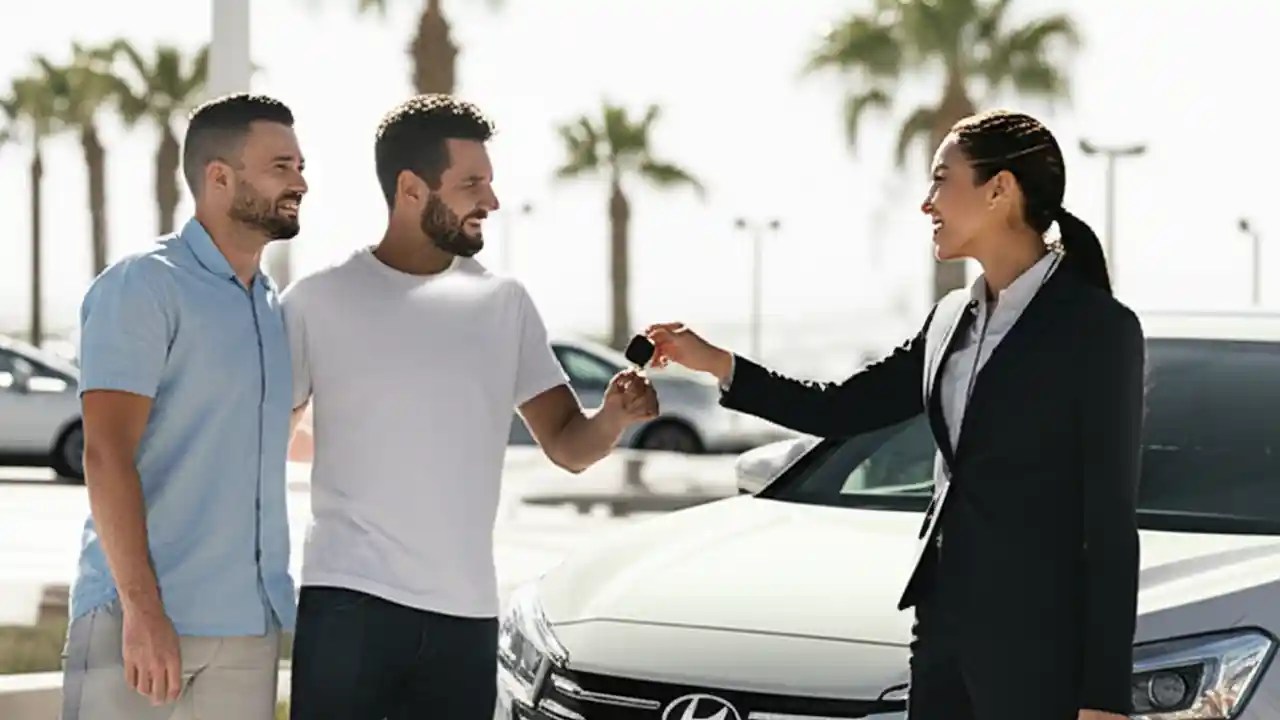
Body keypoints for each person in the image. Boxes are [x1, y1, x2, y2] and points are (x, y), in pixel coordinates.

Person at [646, 110, 1144, 720]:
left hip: (1038, 645)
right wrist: (719, 363)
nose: (927, 203)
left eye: (941, 181)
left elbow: (1112, 522)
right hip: (941, 631)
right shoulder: (948, 319)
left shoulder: (1097, 329)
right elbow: (840, 408)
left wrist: (1103, 698)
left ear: (999, 190)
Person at [282, 94, 660, 719]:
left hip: (465, 615)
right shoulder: (317, 301)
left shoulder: (503, 305)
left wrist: (614, 418)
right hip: (350, 605)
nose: (491, 200)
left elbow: (568, 444)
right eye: (472, 183)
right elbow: (267, 443)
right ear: (410, 188)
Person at [61, 93, 307, 720]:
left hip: (249, 627)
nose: (300, 182)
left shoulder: (274, 307)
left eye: (300, 166)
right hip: (140, 620)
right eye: (281, 167)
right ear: (219, 177)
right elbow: (105, 453)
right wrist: (143, 612)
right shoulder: (144, 286)